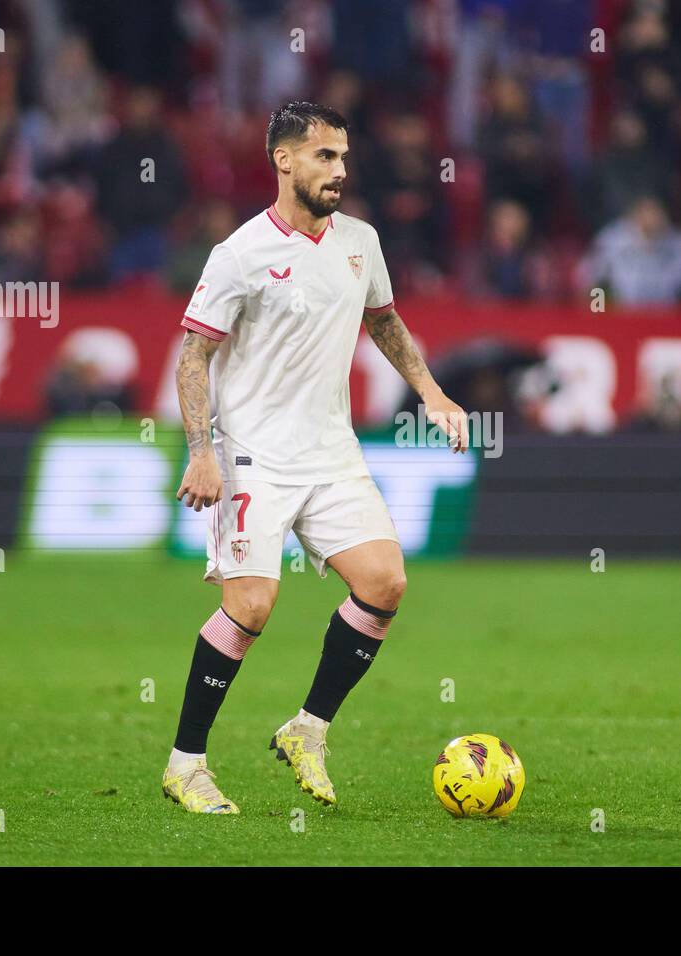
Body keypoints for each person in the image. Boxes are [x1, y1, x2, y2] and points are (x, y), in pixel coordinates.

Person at [163, 102, 469, 814]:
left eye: (343, 156)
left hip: (331, 452)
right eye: (325, 156)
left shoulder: (360, 240)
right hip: (250, 457)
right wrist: (201, 453)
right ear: (285, 161)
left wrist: (432, 393)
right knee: (252, 603)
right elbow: (193, 358)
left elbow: (384, 321)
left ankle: (308, 728)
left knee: (385, 583)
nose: (340, 169)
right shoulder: (240, 254)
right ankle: (186, 764)